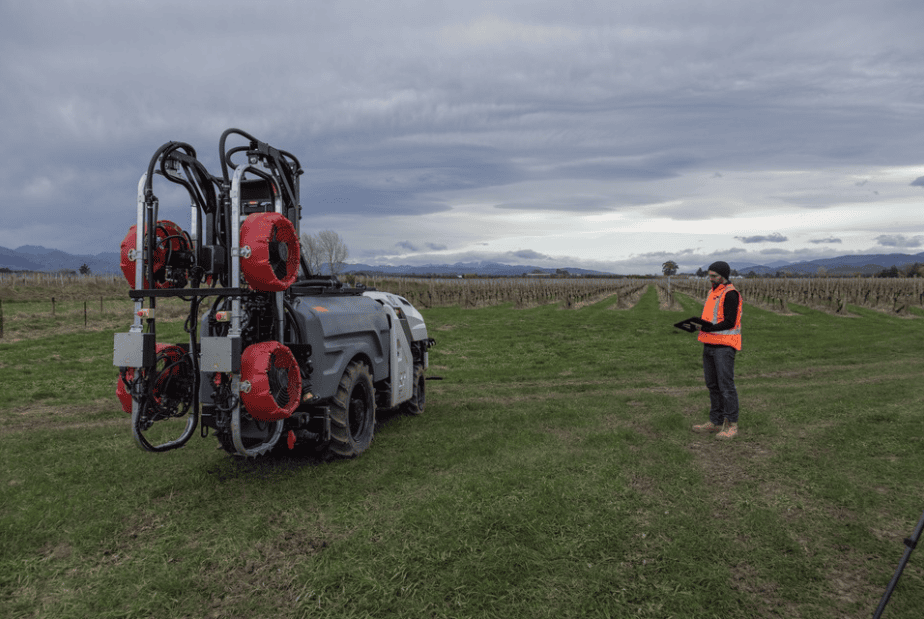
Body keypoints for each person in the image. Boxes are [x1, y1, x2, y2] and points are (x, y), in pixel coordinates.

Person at [691, 261, 741, 439]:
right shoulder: (712, 292)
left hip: (724, 346)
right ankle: (715, 421)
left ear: (723, 276)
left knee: (726, 387)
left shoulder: (731, 294)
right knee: (712, 385)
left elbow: (729, 322)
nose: (710, 279)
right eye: (709, 276)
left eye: (714, 276)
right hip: (709, 344)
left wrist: (706, 328)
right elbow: (711, 319)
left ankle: (731, 425)